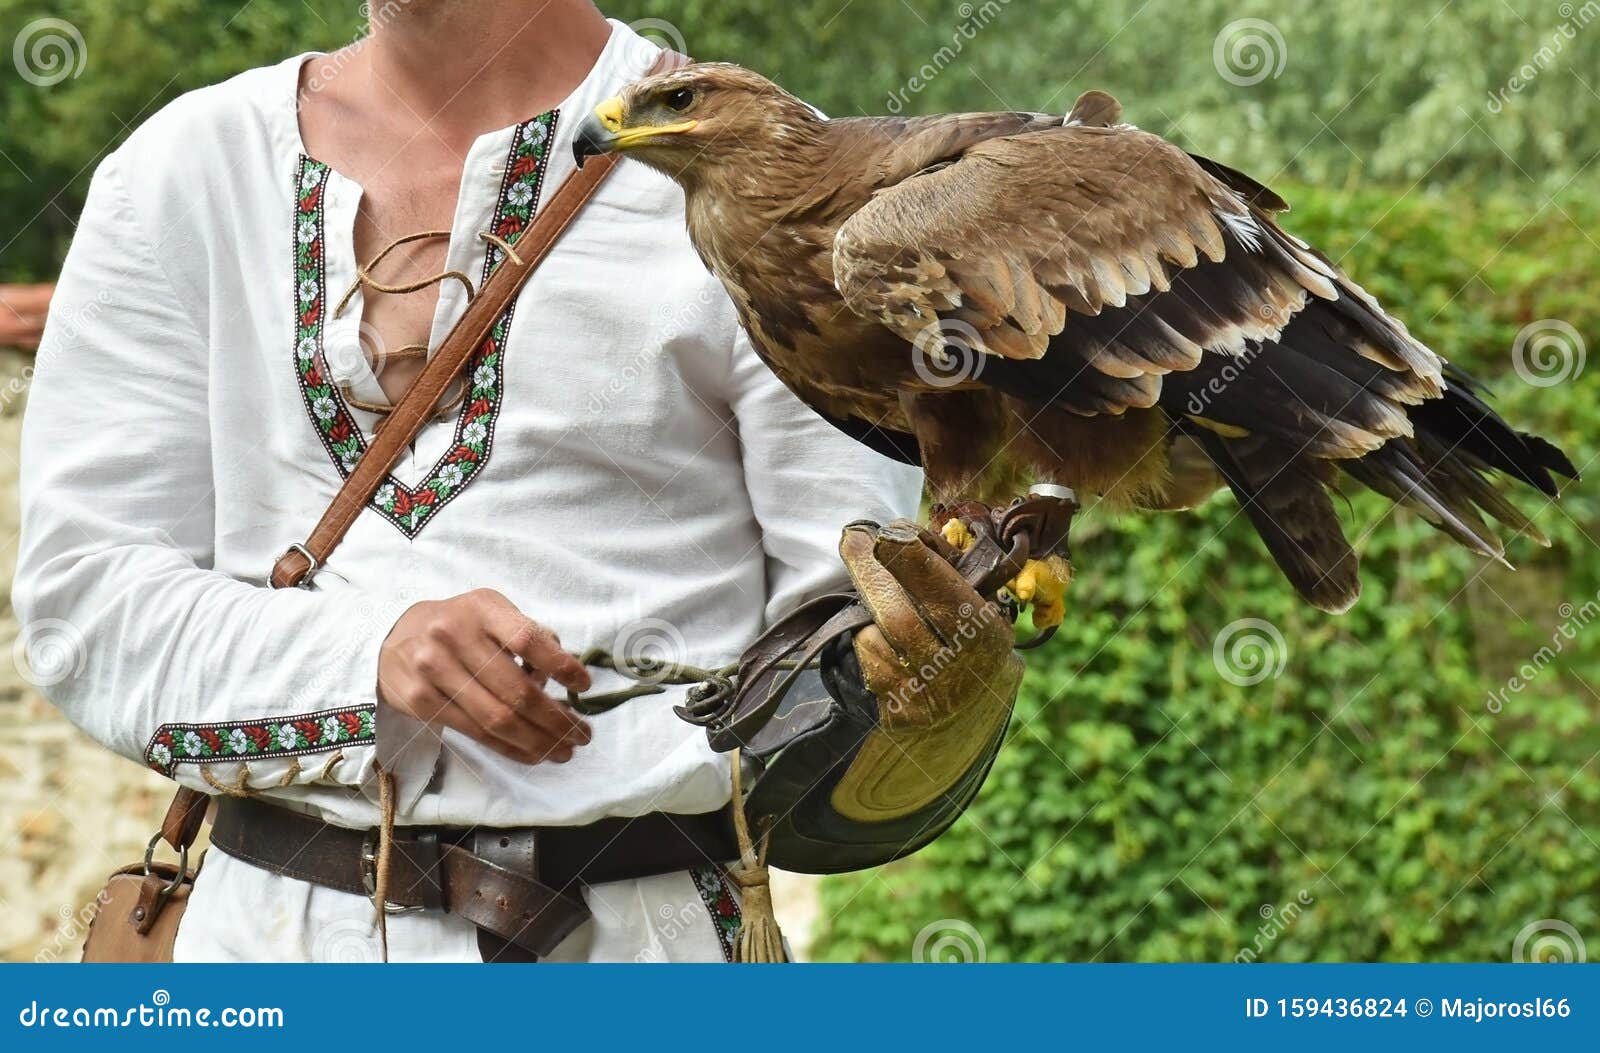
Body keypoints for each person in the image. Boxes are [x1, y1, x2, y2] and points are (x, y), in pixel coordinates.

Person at [15, 1, 1011, 962]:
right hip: (265, 954)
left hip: (637, 958)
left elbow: (839, 652)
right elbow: (85, 604)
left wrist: (929, 690)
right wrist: (367, 657)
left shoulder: (783, 180)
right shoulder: (182, 171)